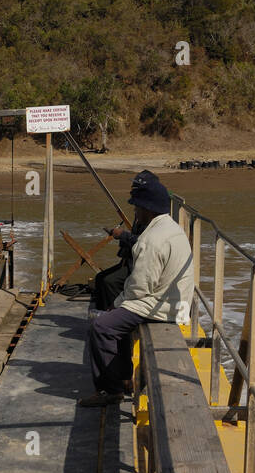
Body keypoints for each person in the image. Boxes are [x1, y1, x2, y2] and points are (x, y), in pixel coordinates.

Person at [79, 170, 193, 406]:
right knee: (116, 321)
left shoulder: (151, 240)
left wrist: (116, 304)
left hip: (162, 306)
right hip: (174, 301)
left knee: (101, 326)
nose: (135, 211)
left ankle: (110, 390)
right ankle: (123, 379)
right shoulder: (169, 228)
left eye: (137, 207)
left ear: (148, 209)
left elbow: (140, 288)